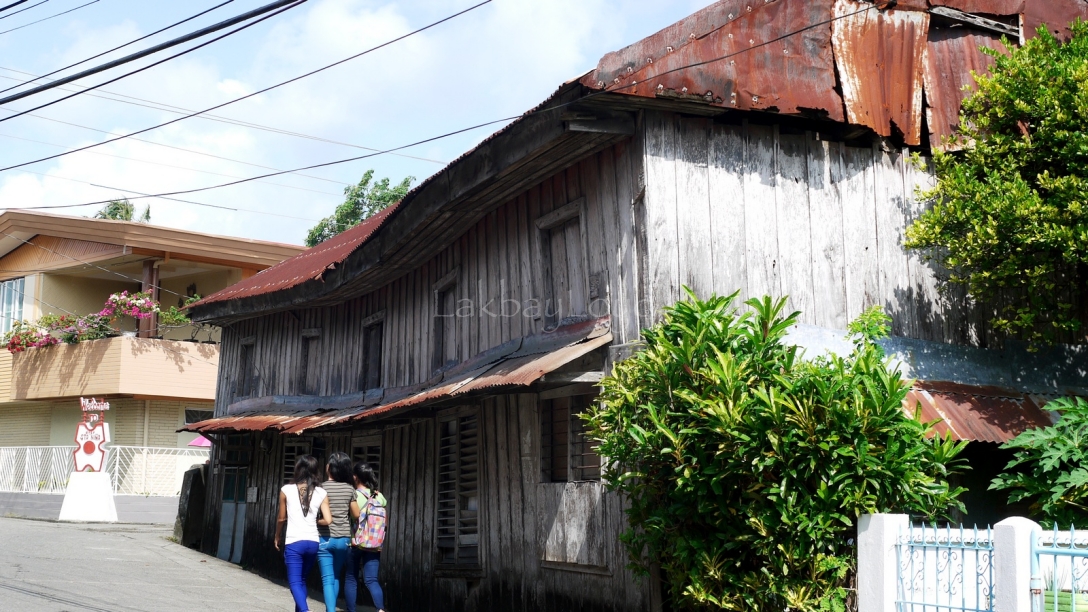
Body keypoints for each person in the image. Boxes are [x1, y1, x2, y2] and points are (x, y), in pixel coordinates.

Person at [275, 455, 332, 612]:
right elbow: (328, 520)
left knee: (294, 582)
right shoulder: (321, 492)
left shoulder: (286, 490)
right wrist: (314, 521)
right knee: (302, 580)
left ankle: (306, 611)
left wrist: (277, 536)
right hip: (313, 542)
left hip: (294, 542)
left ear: (298, 469)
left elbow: (281, 518)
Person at [316, 452, 355, 612]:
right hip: (344, 539)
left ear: (329, 468)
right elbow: (356, 514)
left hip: (325, 537)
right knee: (336, 576)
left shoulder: (321, 488)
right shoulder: (350, 489)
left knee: (327, 579)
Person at [346, 461, 387, 612]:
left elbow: (351, 517)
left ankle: (351, 610)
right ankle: (381, 610)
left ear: (355, 477)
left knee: (351, 578)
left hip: (356, 542)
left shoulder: (354, 495)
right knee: (372, 580)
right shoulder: (379, 496)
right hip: (374, 543)